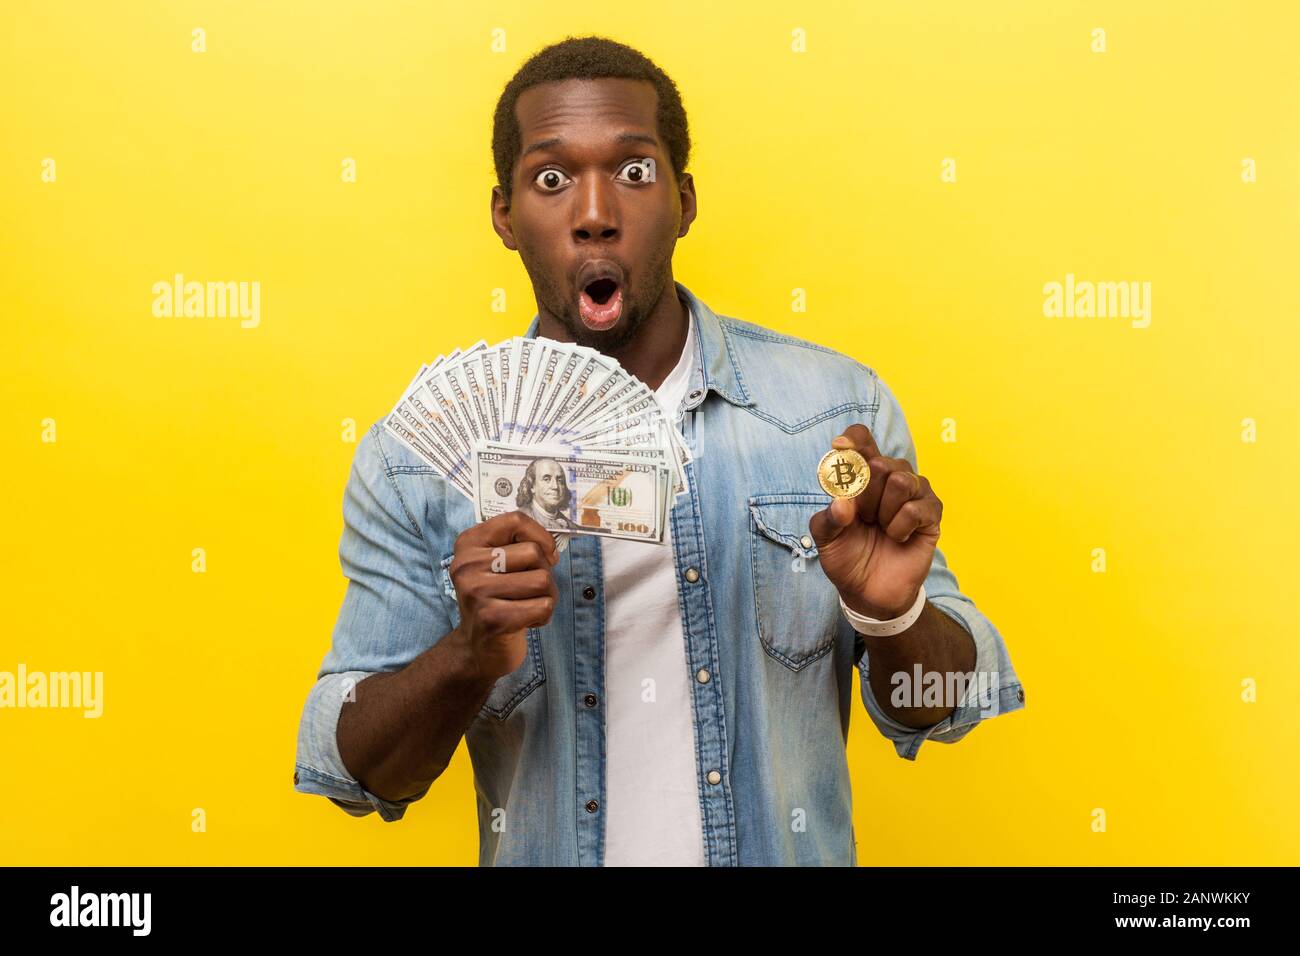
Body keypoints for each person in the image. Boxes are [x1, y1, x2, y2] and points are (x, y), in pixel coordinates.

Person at [294, 35, 1026, 866]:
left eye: (634, 172)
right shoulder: (415, 461)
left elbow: (944, 702)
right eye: (552, 178)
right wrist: (467, 655)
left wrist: (889, 613)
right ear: (504, 215)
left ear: (683, 200)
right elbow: (353, 774)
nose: (596, 210)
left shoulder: (834, 414)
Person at [515, 457, 575, 531]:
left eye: (560, 480)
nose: (555, 486)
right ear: (532, 486)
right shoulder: (516, 520)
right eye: (546, 479)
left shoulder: (573, 527)